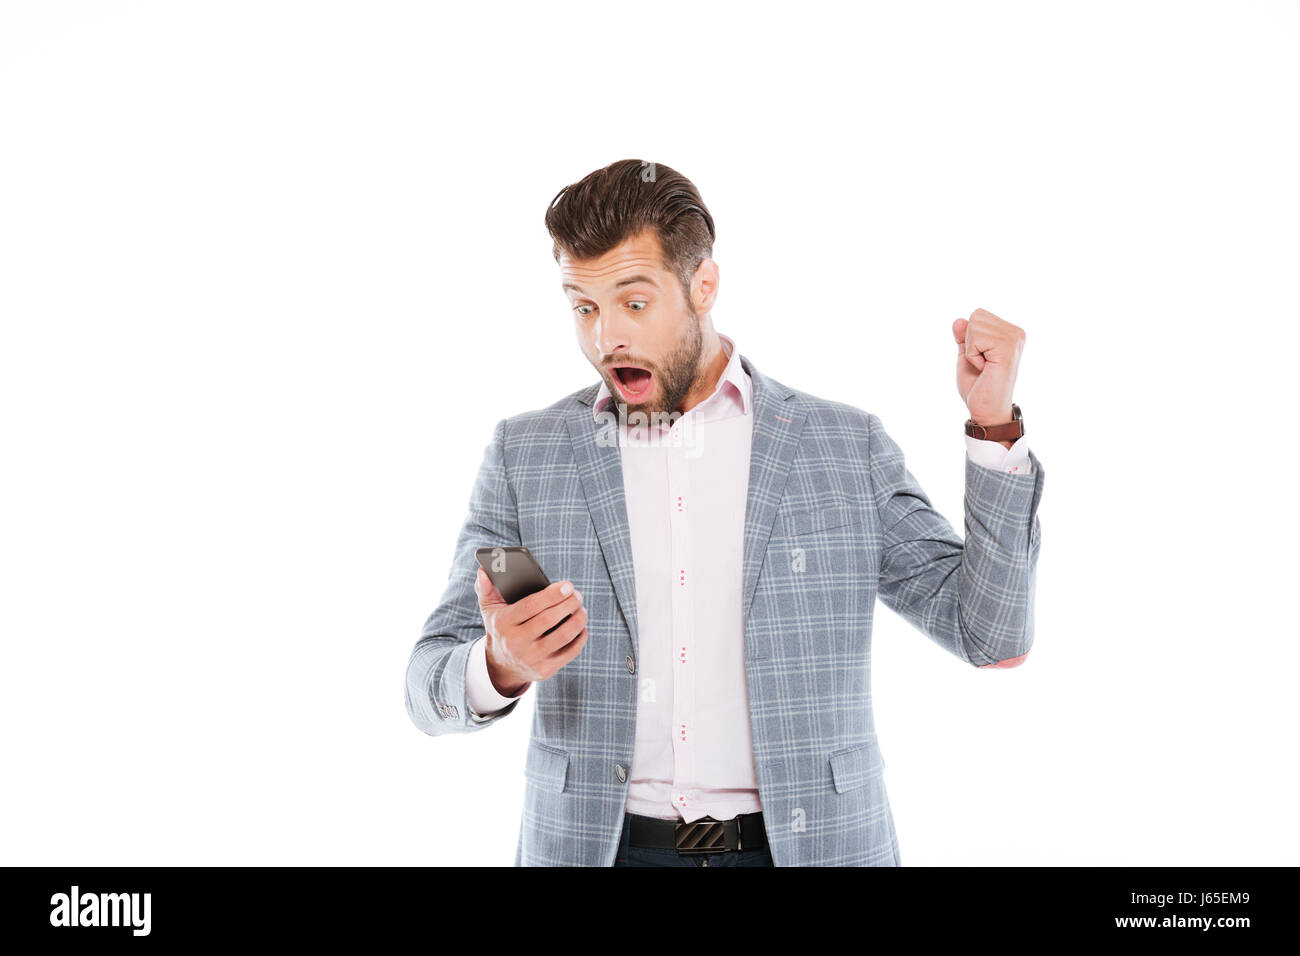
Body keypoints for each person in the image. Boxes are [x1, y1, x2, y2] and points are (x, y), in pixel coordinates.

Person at [404, 159, 1045, 866]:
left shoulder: (842, 447)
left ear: (703, 286)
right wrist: (497, 663)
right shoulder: (528, 457)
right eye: (583, 307)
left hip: (806, 849)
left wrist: (993, 429)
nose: (605, 337)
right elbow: (427, 682)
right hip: (601, 850)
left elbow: (989, 632)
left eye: (634, 303)